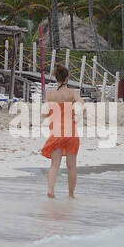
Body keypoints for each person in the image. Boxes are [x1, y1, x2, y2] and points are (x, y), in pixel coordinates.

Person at [41, 65, 80, 198]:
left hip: (57, 130)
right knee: (71, 166)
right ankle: (71, 195)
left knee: (54, 164)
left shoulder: (50, 94)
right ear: (67, 78)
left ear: (56, 78)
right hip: (71, 131)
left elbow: (44, 113)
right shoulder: (72, 93)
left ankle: (51, 191)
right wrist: (77, 115)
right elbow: (83, 105)